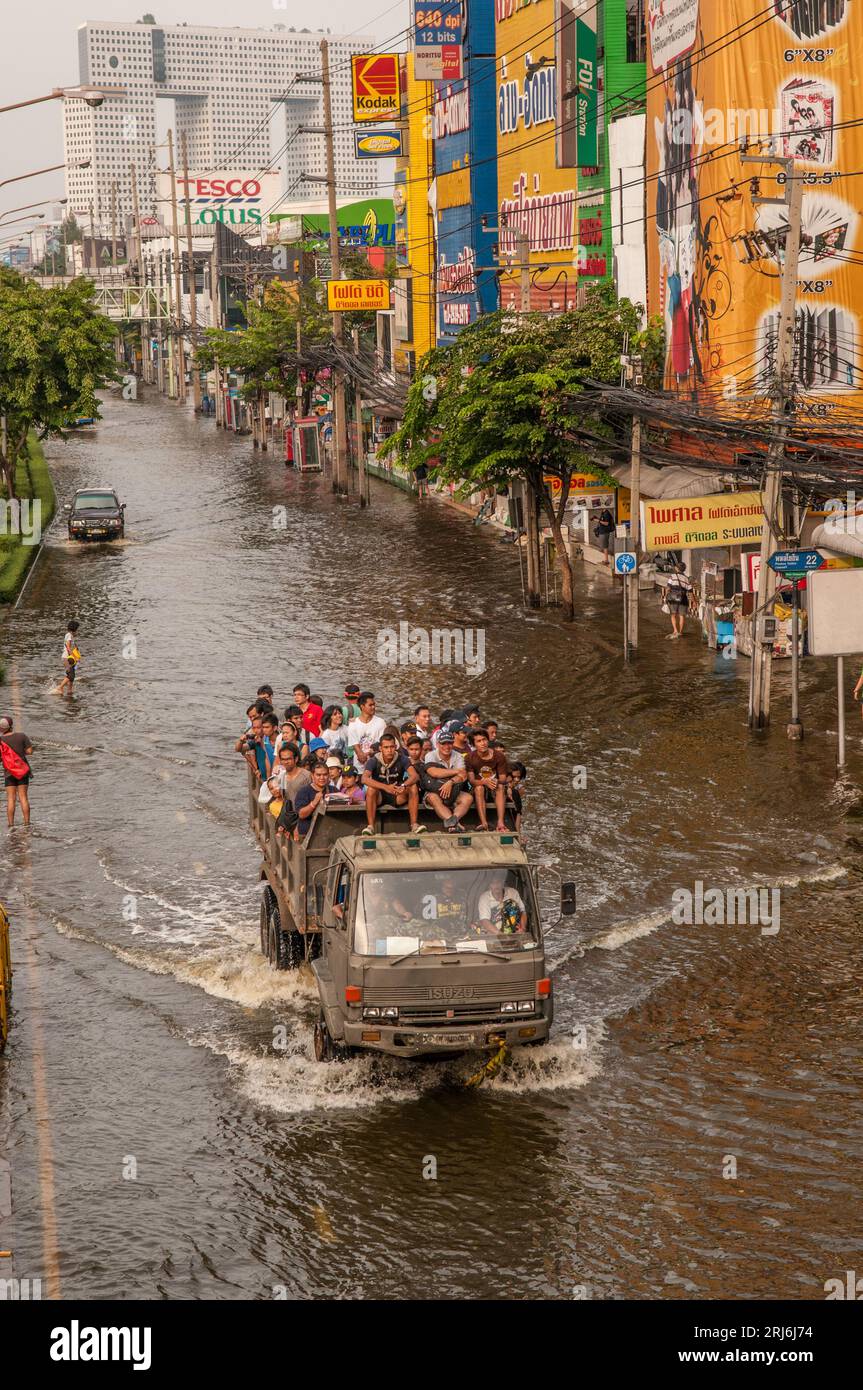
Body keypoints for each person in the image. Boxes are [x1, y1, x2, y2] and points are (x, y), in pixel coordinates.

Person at [362, 732, 424, 833]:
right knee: (371, 789)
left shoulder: (402, 758)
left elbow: (414, 776)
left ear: (395, 747)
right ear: (380, 748)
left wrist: (404, 785)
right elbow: (364, 779)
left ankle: (414, 825)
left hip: (397, 793)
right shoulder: (373, 760)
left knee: (413, 787)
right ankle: (370, 827)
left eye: (391, 747)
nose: (389, 750)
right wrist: (385, 787)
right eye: (386, 747)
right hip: (380, 795)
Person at [417, 732, 474, 831]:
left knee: (468, 798)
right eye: (443, 743)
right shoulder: (430, 755)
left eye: (449, 743)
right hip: (433, 790)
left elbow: (463, 776)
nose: (447, 746)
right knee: (433, 798)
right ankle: (454, 824)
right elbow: (433, 772)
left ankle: (452, 823)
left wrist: (450, 782)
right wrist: (456, 771)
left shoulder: (458, 756)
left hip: (453, 789)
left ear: (453, 743)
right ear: (438, 744)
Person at [466, 728, 509, 832]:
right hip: (478, 787)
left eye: (484, 740)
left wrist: (494, 781)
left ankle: (500, 822)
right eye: (478, 741)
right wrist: (484, 781)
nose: (483, 743)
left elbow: (503, 778)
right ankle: (483, 822)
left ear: (488, 740)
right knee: (479, 788)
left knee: (500, 786)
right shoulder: (470, 757)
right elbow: (471, 780)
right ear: (473, 744)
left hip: (495, 785)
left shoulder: (499, 756)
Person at [0, 716, 33, 828]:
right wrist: (19, 753)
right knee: (23, 797)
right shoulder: (22, 736)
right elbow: (30, 751)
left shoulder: (0, 741)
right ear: (11, 725)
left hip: (9, 773)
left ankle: (11, 825)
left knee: (11, 799)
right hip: (22, 771)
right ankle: (27, 824)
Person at [346, 692, 387, 770]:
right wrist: (361, 754)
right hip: (359, 767)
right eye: (370, 705)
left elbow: (382, 743)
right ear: (362, 706)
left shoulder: (381, 722)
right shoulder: (353, 724)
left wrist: (370, 753)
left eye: (374, 704)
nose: (373, 707)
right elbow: (356, 746)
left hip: (377, 765)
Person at [293, 763, 331, 837]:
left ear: (328, 775)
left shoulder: (334, 790)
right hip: (307, 836)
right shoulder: (304, 792)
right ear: (312, 776)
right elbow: (301, 814)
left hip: (328, 834)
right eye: (318, 775)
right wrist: (314, 803)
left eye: (325, 774)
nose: (322, 778)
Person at [663, 561, 693, 639]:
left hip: (673, 598)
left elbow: (668, 588)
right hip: (683, 599)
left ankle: (675, 630)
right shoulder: (687, 578)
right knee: (682, 616)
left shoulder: (672, 576)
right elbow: (690, 592)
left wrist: (666, 597)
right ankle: (680, 632)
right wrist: (694, 602)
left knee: (673, 615)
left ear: (676, 568)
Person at [57, 619, 81, 696]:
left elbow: (71, 647)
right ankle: (60, 687)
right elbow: (68, 647)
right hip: (67, 658)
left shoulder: (70, 636)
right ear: (74, 629)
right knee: (70, 675)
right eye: (77, 629)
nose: (77, 631)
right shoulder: (69, 635)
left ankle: (69, 691)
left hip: (70, 658)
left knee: (72, 675)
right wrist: (75, 657)